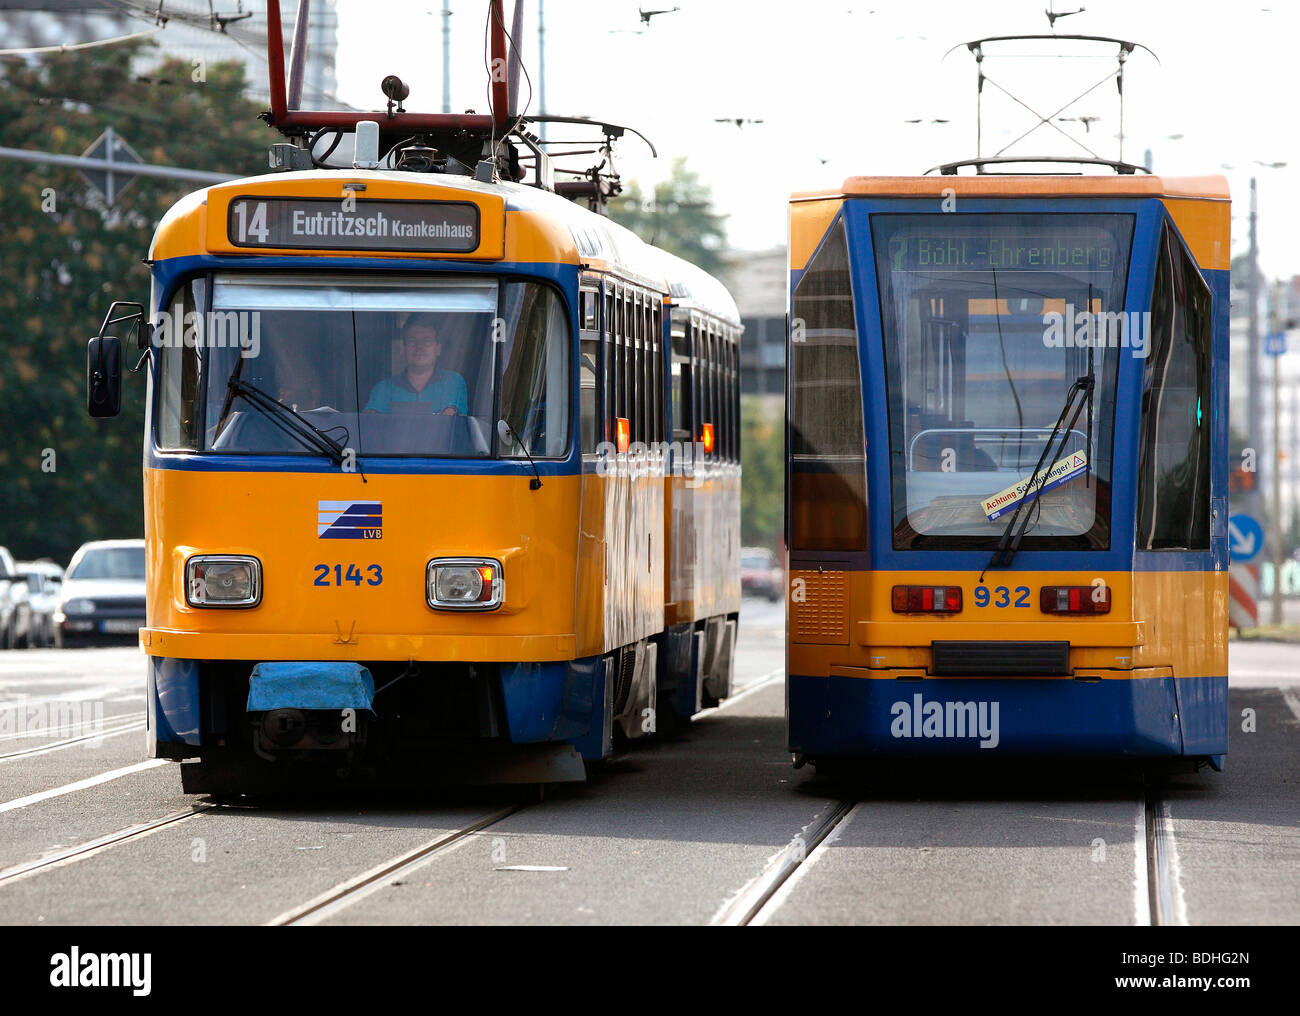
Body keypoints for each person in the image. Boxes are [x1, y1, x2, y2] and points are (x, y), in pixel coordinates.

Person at [365, 313, 468, 415]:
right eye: (412, 341)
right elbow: (371, 423)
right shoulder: (383, 389)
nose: (419, 347)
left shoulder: (453, 382)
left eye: (426, 341)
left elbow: (450, 420)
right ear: (404, 348)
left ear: (438, 349)